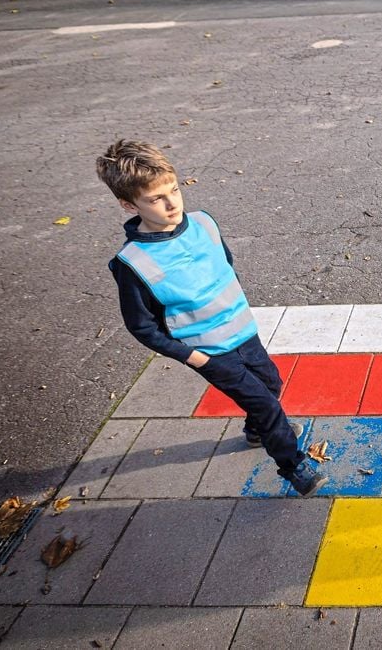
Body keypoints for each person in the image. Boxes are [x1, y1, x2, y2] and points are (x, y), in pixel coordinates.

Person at [97, 140, 327, 496]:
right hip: (208, 351)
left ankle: (256, 431)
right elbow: (141, 325)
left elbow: (226, 265)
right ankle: (293, 466)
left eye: (173, 190)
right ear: (129, 204)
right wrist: (193, 356)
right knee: (266, 405)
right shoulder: (134, 262)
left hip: (243, 332)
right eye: (156, 198)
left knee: (271, 385)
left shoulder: (203, 223)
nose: (172, 203)